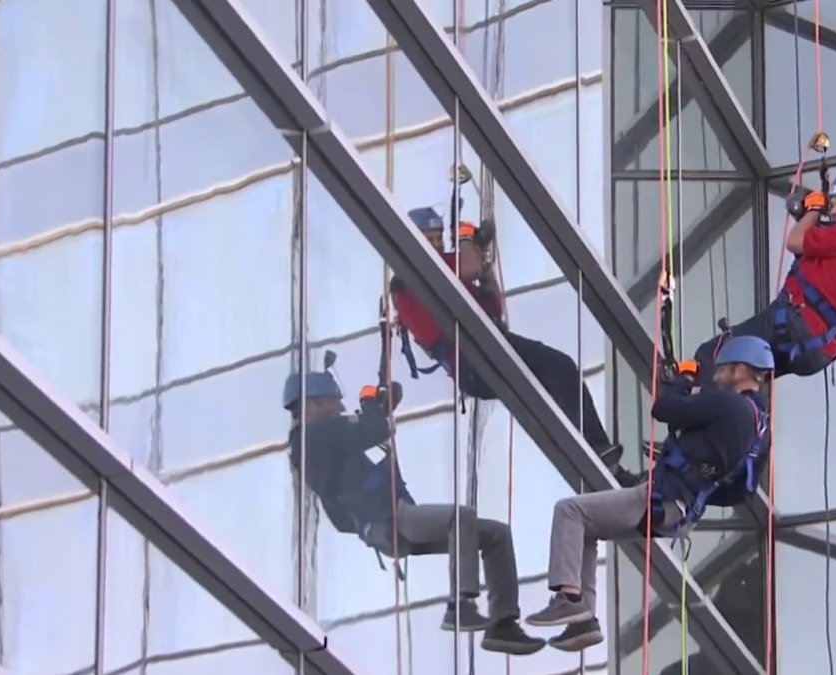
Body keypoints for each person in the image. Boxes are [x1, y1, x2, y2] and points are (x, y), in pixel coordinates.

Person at [522, 336, 774, 649]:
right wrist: (698, 487)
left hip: (660, 498)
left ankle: (569, 598)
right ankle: (583, 620)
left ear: (741, 371)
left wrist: (683, 377)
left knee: (569, 511)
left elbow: (664, 408)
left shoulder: (726, 402)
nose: (715, 375)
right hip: (680, 513)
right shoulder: (760, 430)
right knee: (585, 526)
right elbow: (741, 492)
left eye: (722, 368)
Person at [282, 369, 545, 656]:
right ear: (310, 404)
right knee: (462, 517)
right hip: (390, 520)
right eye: (333, 401)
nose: (340, 407)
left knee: (495, 535)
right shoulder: (315, 436)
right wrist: (370, 402)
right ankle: (461, 606)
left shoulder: (321, 440)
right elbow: (373, 430)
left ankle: (503, 623)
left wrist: (378, 409)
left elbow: (364, 435)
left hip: (388, 523)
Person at [390, 207, 623, 469]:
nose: (436, 244)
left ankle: (605, 464)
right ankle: (592, 449)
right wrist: (467, 237)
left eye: (438, 238)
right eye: (429, 238)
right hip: (474, 356)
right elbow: (468, 267)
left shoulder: (442, 274)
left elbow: (493, 307)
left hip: (481, 353)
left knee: (554, 382)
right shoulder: (412, 272)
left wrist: (484, 265)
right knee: (559, 367)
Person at [692, 170, 836, 386]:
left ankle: (683, 398)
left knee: (713, 355)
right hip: (815, 346)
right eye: (832, 206)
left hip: (795, 326)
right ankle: (734, 413)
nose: (834, 212)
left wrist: (814, 210)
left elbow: (794, 241)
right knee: (744, 380)